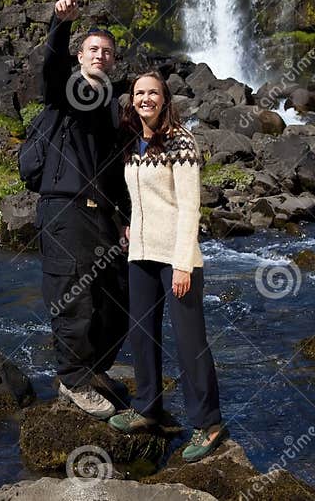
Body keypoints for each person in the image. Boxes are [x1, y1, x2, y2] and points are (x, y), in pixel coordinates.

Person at [106, 71, 227, 463]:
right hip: (140, 254)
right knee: (142, 334)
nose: (146, 99)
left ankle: (208, 424)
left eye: (152, 93)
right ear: (132, 99)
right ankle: (147, 407)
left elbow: (190, 207)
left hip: (177, 259)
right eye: (139, 93)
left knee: (190, 342)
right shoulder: (130, 140)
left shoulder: (182, 141)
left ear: (164, 98)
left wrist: (182, 264)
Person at [36, 0, 130, 419]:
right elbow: (51, 71)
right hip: (64, 209)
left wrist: (126, 216)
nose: (100, 56)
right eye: (93, 49)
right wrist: (61, 24)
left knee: (116, 298)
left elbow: (116, 171)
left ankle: (94, 369)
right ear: (80, 56)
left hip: (103, 213)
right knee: (73, 296)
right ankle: (72, 380)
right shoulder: (69, 89)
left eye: (107, 51)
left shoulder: (112, 105)